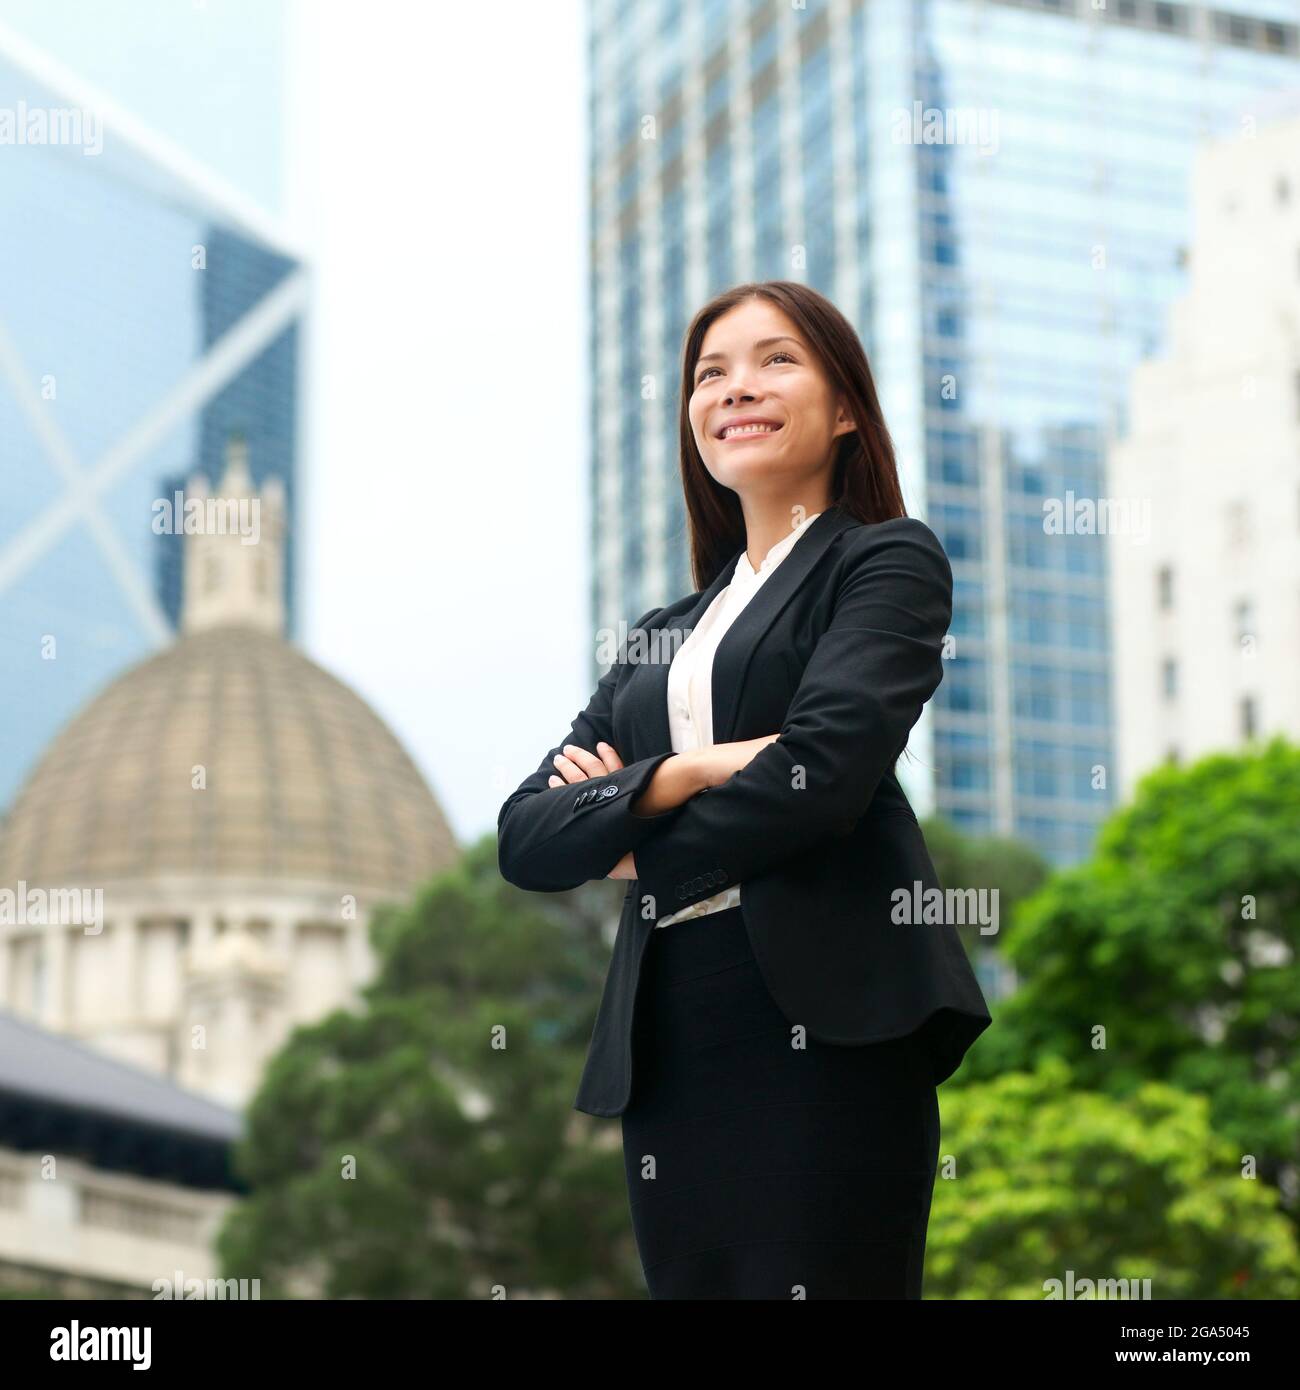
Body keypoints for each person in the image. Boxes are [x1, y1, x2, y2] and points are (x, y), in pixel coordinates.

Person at [498, 280, 992, 1299]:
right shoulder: (661, 631)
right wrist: (679, 771)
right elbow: (527, 835)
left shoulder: (884, 562)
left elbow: (824, 770)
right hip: (674, 1033)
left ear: (844, 405)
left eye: (776, 361)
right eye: (709, 374)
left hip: (827, 1017)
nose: (736, 389)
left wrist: (632, 835)